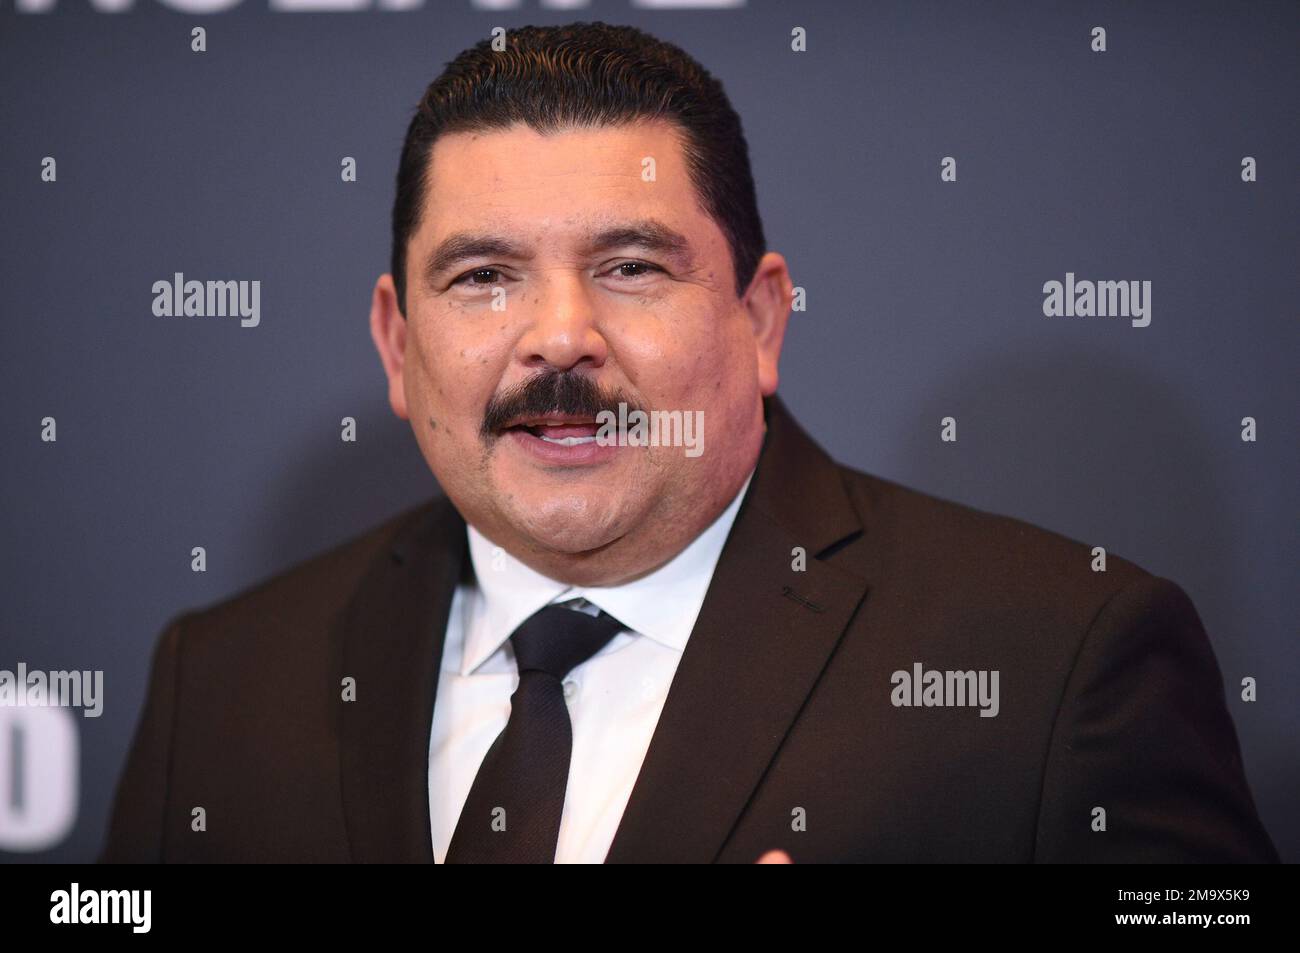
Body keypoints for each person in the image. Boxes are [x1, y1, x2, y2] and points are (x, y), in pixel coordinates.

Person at [99, 21, 1278, 864]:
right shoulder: (222, 681)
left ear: (760, 318)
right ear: (397, 343)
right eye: (483, 276)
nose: (558, 338)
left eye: (629, 267)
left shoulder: (1059, 665)